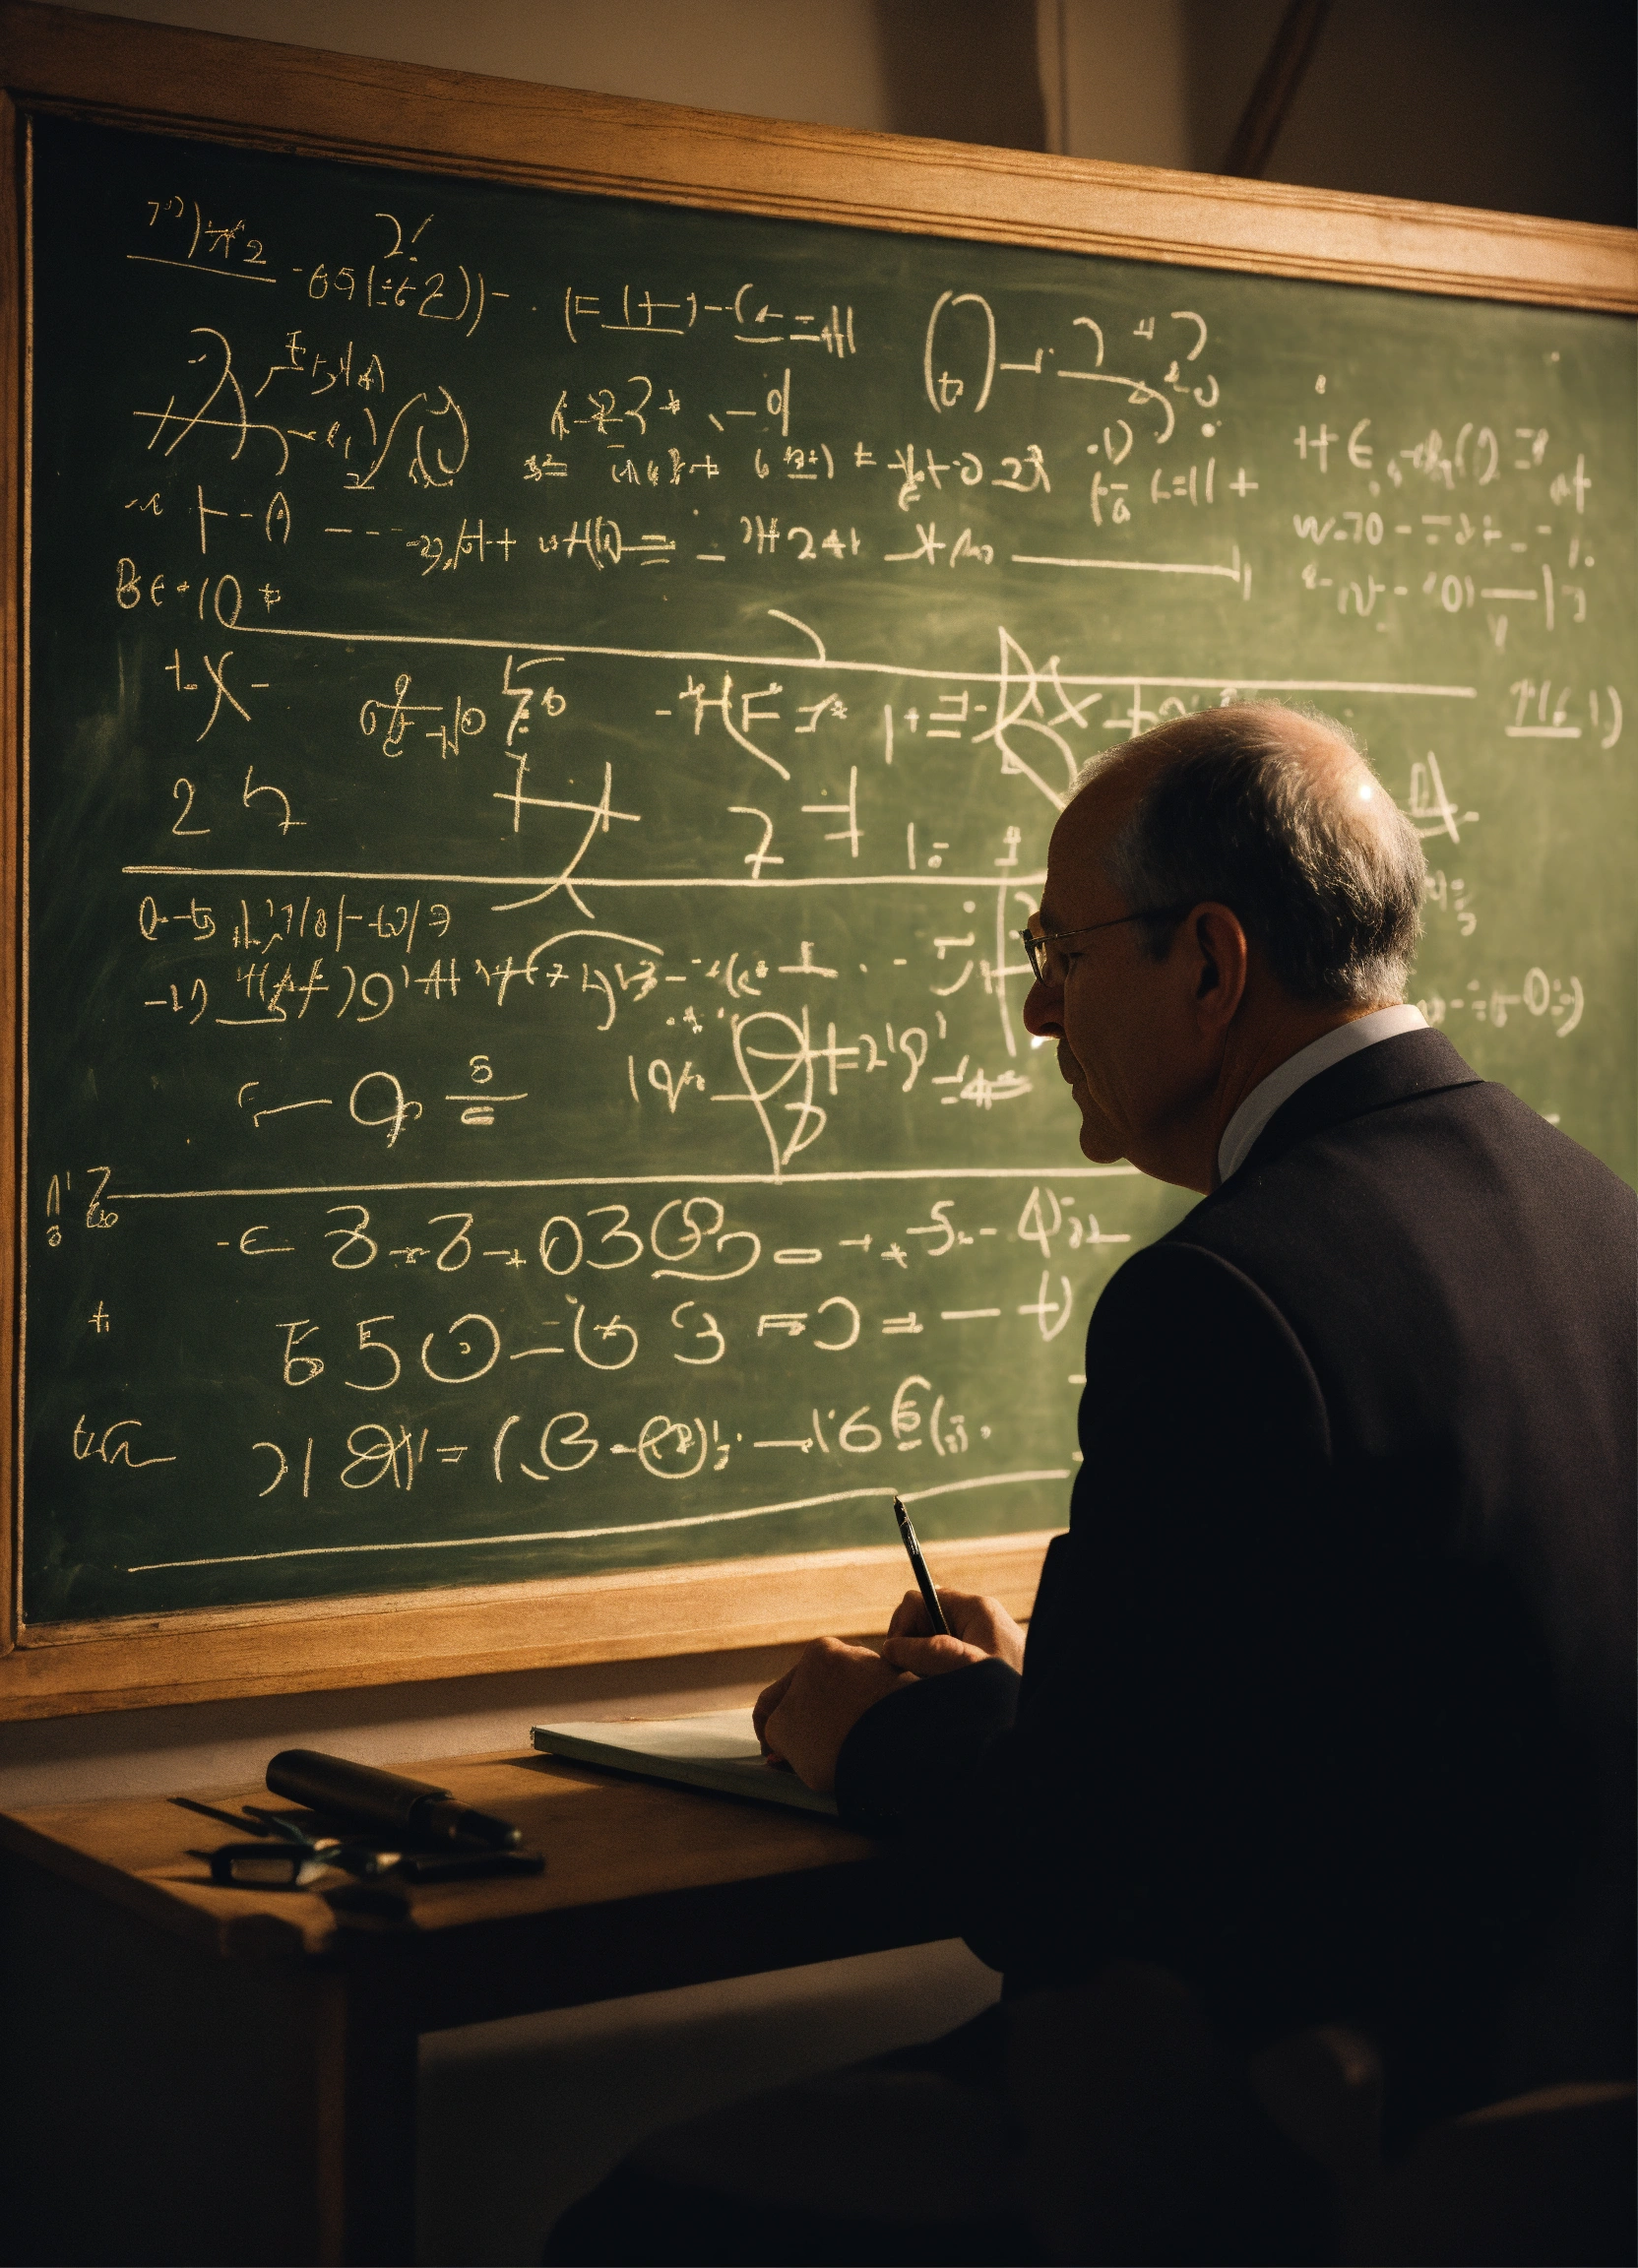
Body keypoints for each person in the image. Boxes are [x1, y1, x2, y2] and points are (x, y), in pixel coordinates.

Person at [545, 703, 1635, 2264]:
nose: (1039, 1010)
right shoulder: (1604, 1220)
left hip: (1311, 2154)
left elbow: (1077, 1876)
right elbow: (1395, 1703)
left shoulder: (1234, 1296)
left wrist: (882, 1731)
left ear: (1209, 961)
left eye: (1062, 949)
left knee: (634, 2230)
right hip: (1557, 2149)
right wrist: (1059, 1697)